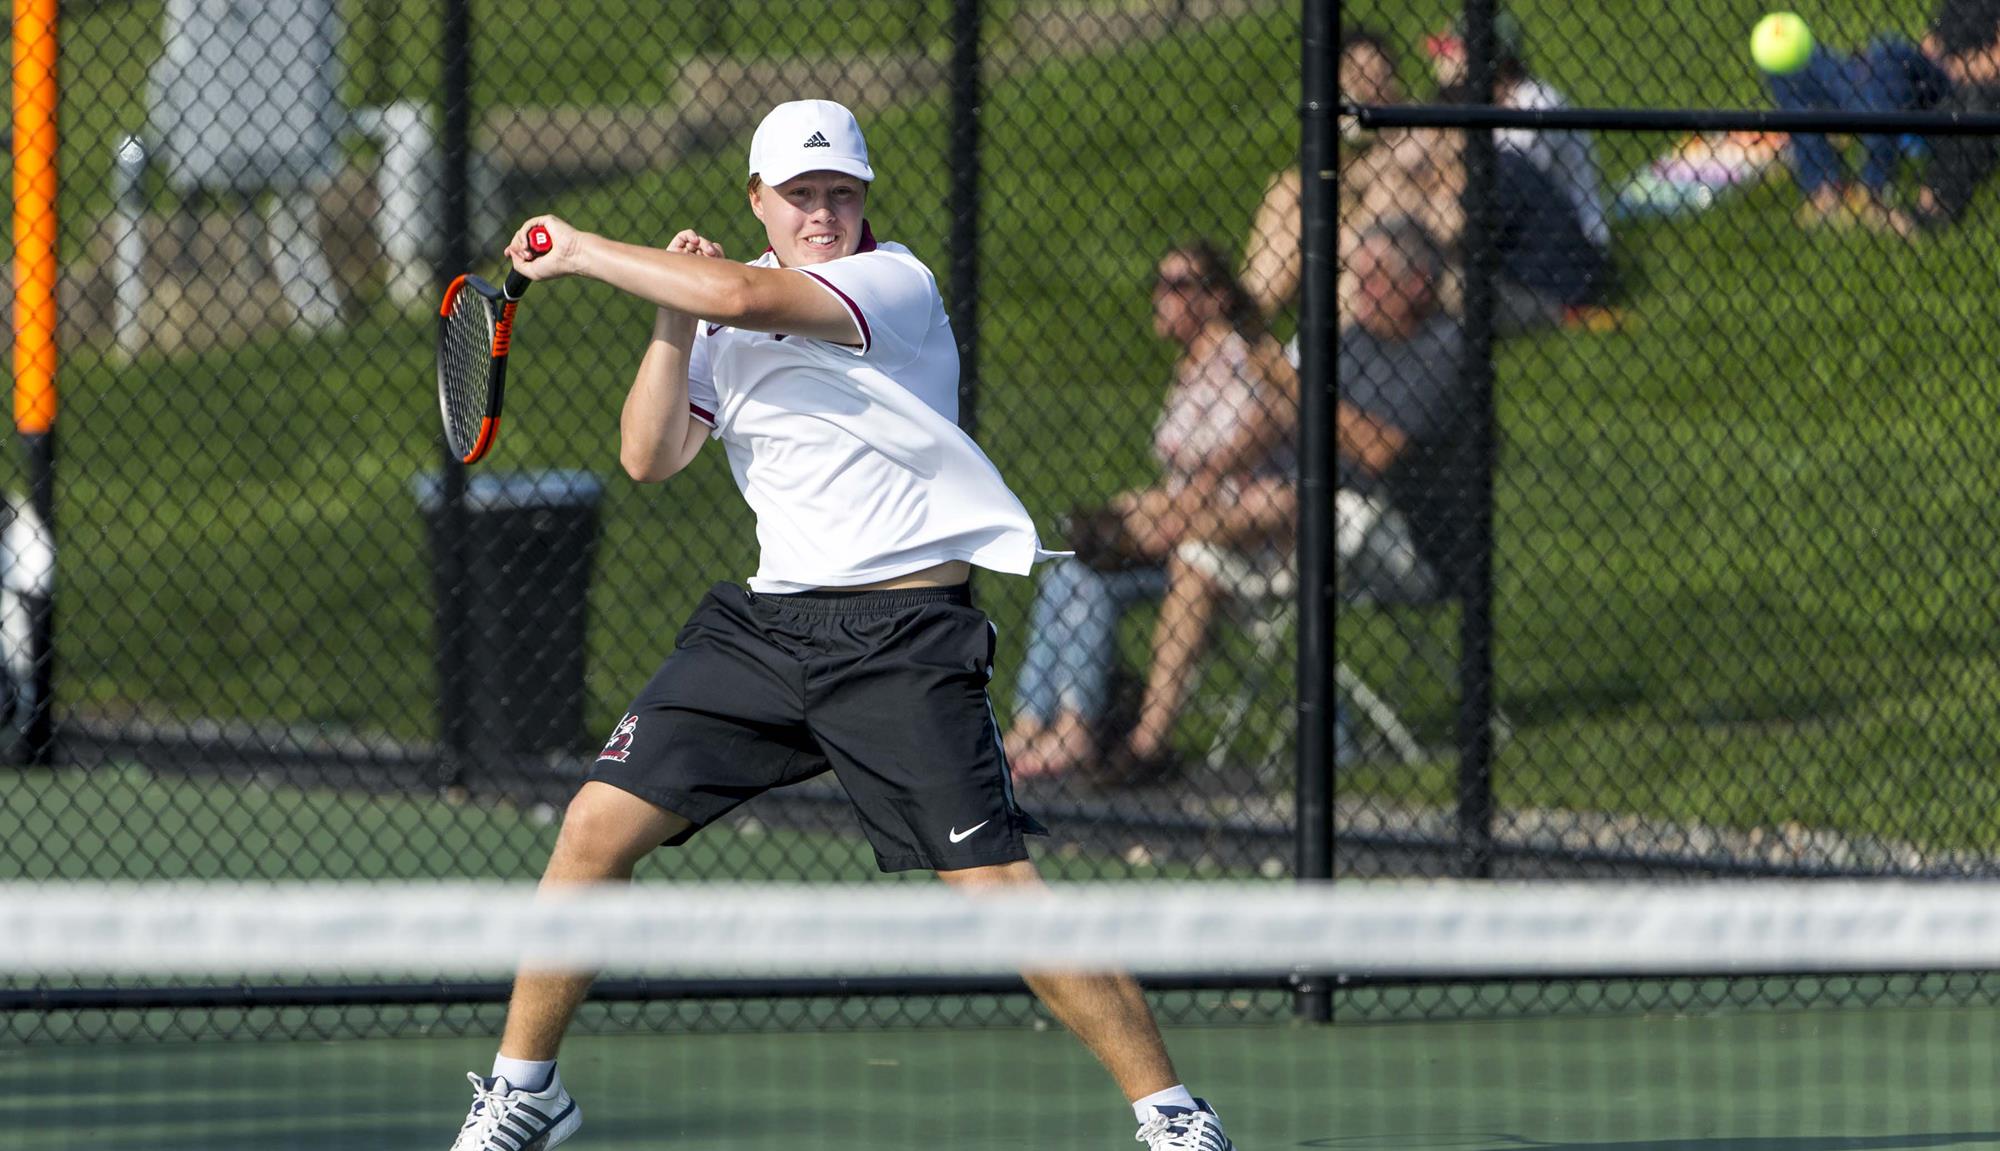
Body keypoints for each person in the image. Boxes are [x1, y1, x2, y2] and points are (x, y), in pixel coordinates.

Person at [445, 100, 1237, 1151]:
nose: (822, 213)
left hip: (901, 641)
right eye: (800, 194)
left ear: (864, 201)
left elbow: (743, 292)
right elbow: (649, 455)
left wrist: (585, 249)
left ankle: (1173, 1114)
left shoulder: (891, 283)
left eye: (840, 193)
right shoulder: (717, 307)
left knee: (998, 889)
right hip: (765, 633)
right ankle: (526, 1092)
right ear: (757, 200)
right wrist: (673, 316)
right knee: (593, 827)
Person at [1004, 241, 1295, 782]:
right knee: (1067, 574)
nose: (1161, 296)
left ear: (1217, 297)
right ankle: (1030, 724)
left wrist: (1155, 516)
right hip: (1180, 531)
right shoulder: (1193, 368)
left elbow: (1230, 470)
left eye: (1178, 285)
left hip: (1237, 544)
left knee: (1090, 581)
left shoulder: (1245, 363)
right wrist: (1142, 508)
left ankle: (1075, 731)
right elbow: (1186, 479)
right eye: (1159, 284)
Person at [1763, 1, 2000, 232]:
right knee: (1794, 70)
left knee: (1890, 51)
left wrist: (1951, 64)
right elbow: (1930, 43)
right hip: (1908, 81)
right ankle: (1824, 191)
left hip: (1947, 91)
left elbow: (1993, 64)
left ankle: (1871, 190)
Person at [1424, 10, 1611, 254]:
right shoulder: (1476, 103)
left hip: (1568, 242)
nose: (1447, 63)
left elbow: (1510, 183)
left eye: (1457, 54)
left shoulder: (1538, 103)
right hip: (1513, 233)